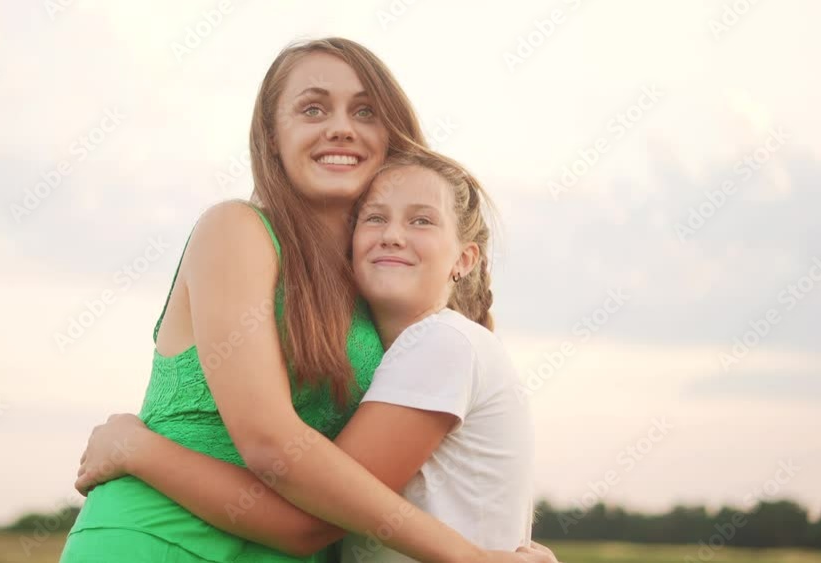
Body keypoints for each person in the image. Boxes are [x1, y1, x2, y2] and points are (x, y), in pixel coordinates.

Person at [62, 37, 556, 563]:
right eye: (313, 108)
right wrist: (472, 558)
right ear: (272, 137)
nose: (340, 126)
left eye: (364, 111)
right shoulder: (237, 231)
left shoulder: (387, 297)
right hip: (162, 541)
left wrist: (497, 544)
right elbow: (272, 447)